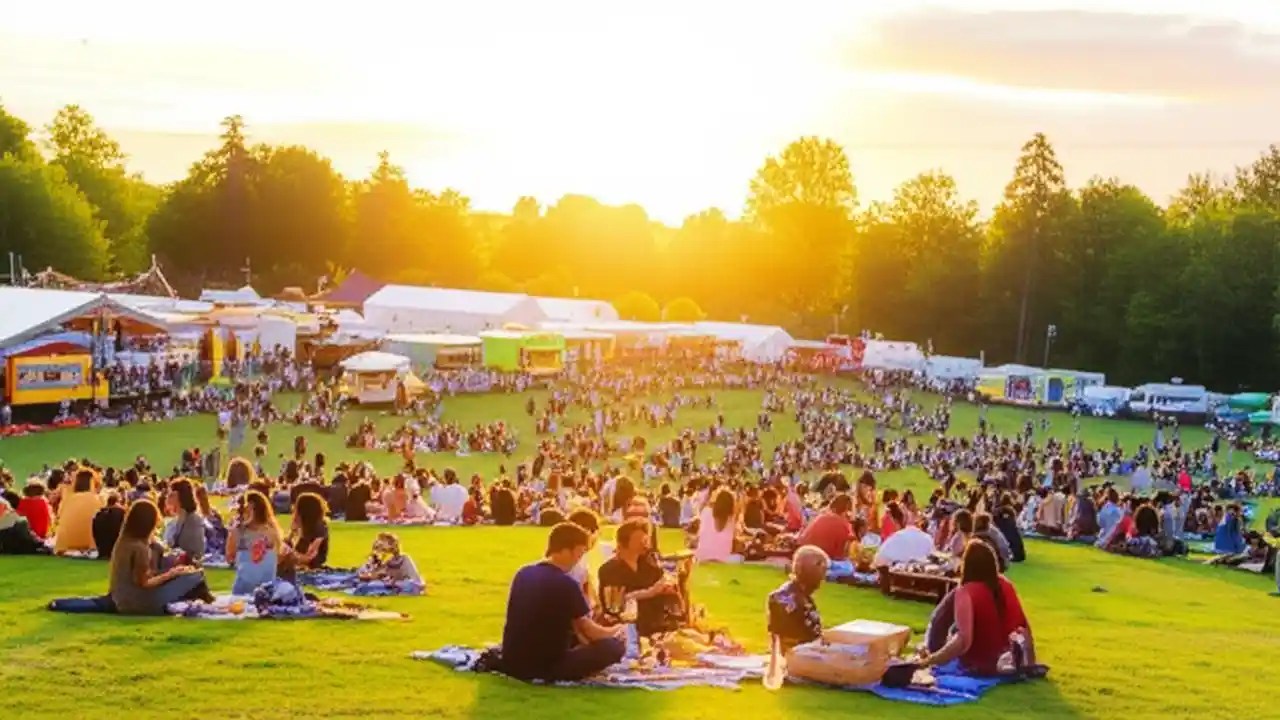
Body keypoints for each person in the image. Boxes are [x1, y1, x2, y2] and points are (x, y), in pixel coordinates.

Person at [500, 523, 626, 682]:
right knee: (613, 647)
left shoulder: (523, 573)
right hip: (545, 667)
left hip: (512, 660)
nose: (579, 560)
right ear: (566, 551)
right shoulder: (566, 583)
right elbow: (589, 631)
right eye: (579, 553)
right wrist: (616, 632)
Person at [920, 540, 1035, 676]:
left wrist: (931, 660)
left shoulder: (966, 592)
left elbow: (963, 641)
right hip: (1010, 656)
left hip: (982, 665)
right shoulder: (1005, 585)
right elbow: (1024, 626)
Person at [109, 499, 213, 615]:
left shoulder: (123, 543)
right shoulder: (139, 548)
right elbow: (144, 583)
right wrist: (171, 574)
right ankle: (207, 602)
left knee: (183, 573)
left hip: (121, 601)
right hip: (139, 603)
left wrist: (170, 573)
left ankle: (199, 600)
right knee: (195, 575)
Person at [598, 519, 681, 636]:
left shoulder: (648, 565)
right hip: (625, 626)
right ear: (624, 542)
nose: (644, 543)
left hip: (656, 622)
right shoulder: (610, 570)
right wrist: (650, 592)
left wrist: (667, 589)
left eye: (645, 539)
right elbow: (614, 605)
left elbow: (661, 582)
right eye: (639, 540)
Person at [767, 545, 829, 654]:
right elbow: (810, 640)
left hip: (786, 654)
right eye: (821, 573)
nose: (823, 579)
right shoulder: (800, 603)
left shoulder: (784, 594)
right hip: (799, 656)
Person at [227, 490, 282, 594]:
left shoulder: (270, 532)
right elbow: (230, 557)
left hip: (266, 588)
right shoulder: (237, 532)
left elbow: (278, 556)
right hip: (245, 587)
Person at [53, 469, 102, 554]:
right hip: (91, 546)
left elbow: (58, 518)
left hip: (65, 545)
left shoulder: (67, 500)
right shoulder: (98, 500)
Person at [798, 494, 855, 561]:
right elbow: (840, 556)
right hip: (814, 562)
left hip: (801, 554)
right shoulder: (843, 525)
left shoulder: (822, 516)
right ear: (847, 511)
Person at [163, 478, 206, 562]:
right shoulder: (178, 519)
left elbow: (189, 549)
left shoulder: (192, 520)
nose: (167, 497)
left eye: (170, 494)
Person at [695, 488, 738, 563]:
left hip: (703, 558)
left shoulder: (706, 512)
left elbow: (701, 534)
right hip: (723, 560)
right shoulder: (731, 520)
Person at [92, 494, 127, 560]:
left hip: (101, 548)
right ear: (117, 502)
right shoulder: (121, 513)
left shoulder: (99, 513)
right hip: (114, 548)